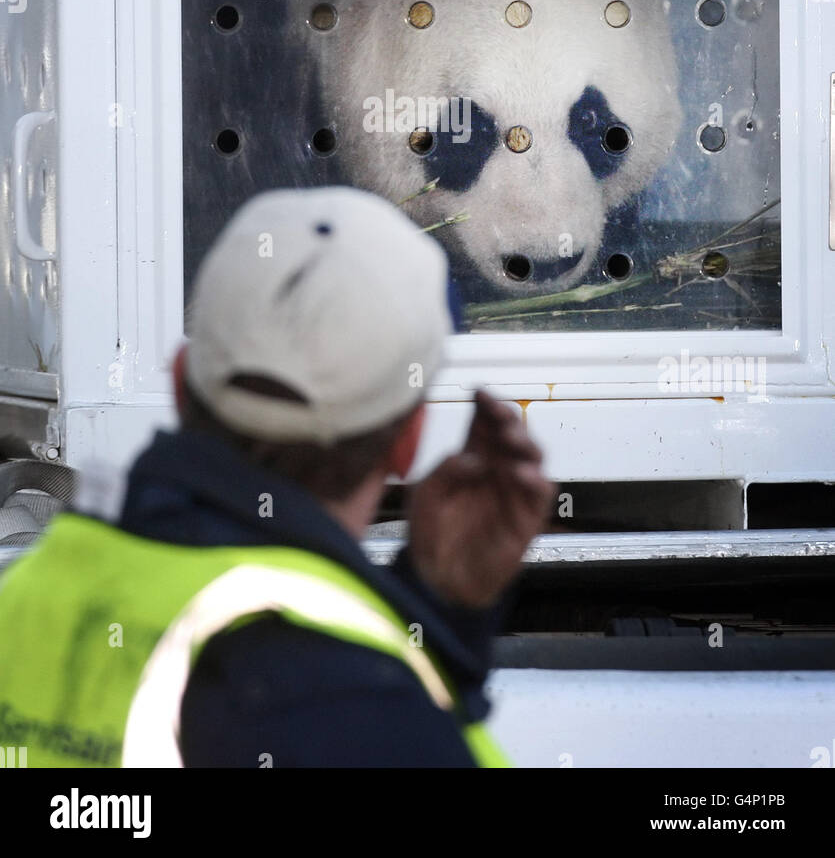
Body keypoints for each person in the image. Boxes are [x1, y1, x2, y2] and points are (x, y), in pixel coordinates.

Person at [0, 187, 551, 768]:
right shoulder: (367, 717)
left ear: (182, 383)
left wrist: (435, 608)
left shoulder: (27, 598)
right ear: (410, 438)